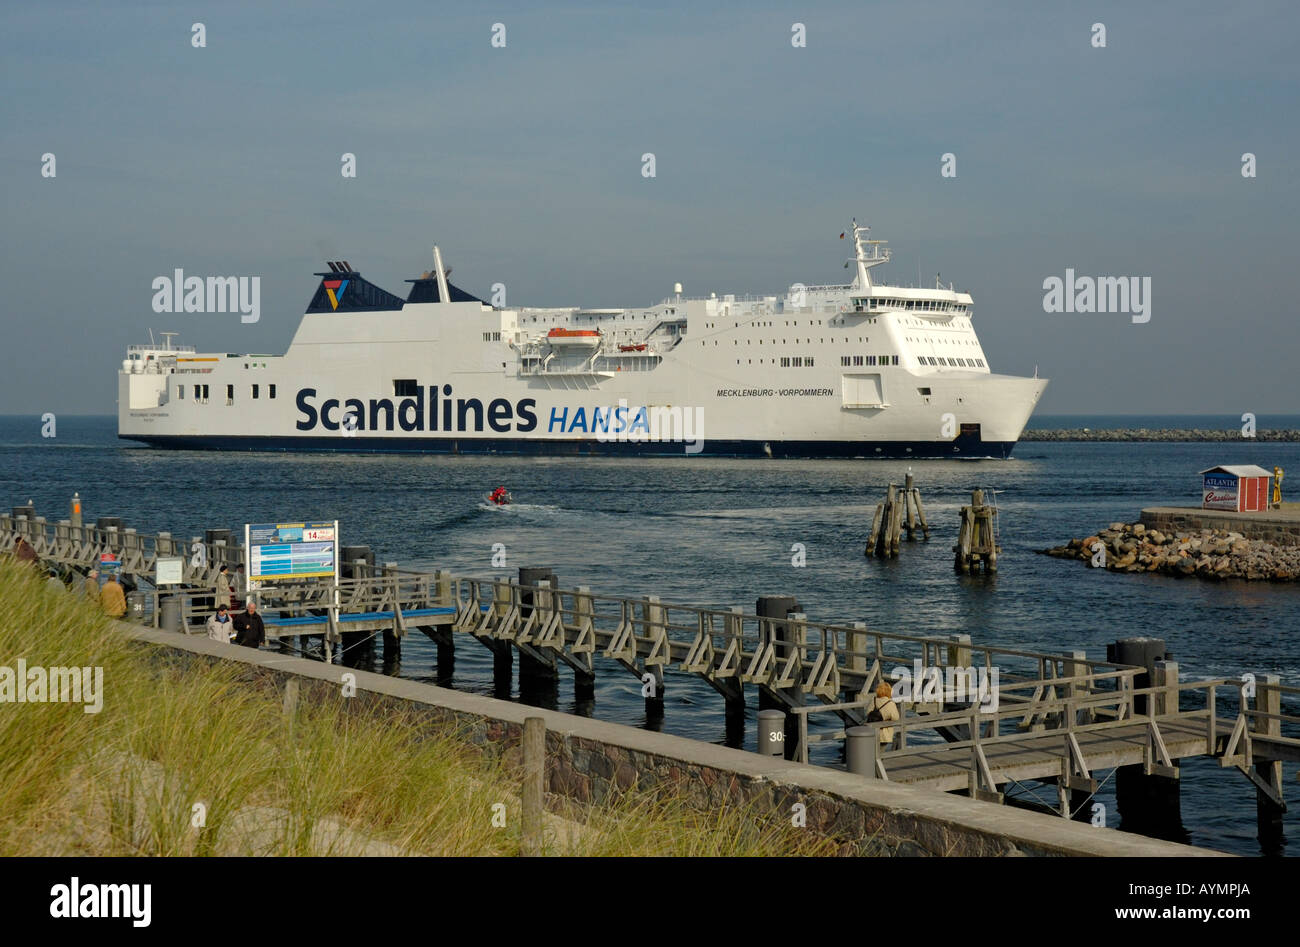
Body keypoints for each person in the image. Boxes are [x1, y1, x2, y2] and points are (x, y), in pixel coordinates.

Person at [866, 681, 900, 748]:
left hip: (872, 731)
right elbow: (896, 717)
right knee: (881, 751)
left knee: (872, 750)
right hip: (884, 733)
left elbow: (868, 713)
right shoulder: (890, 703)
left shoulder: (874, 700)